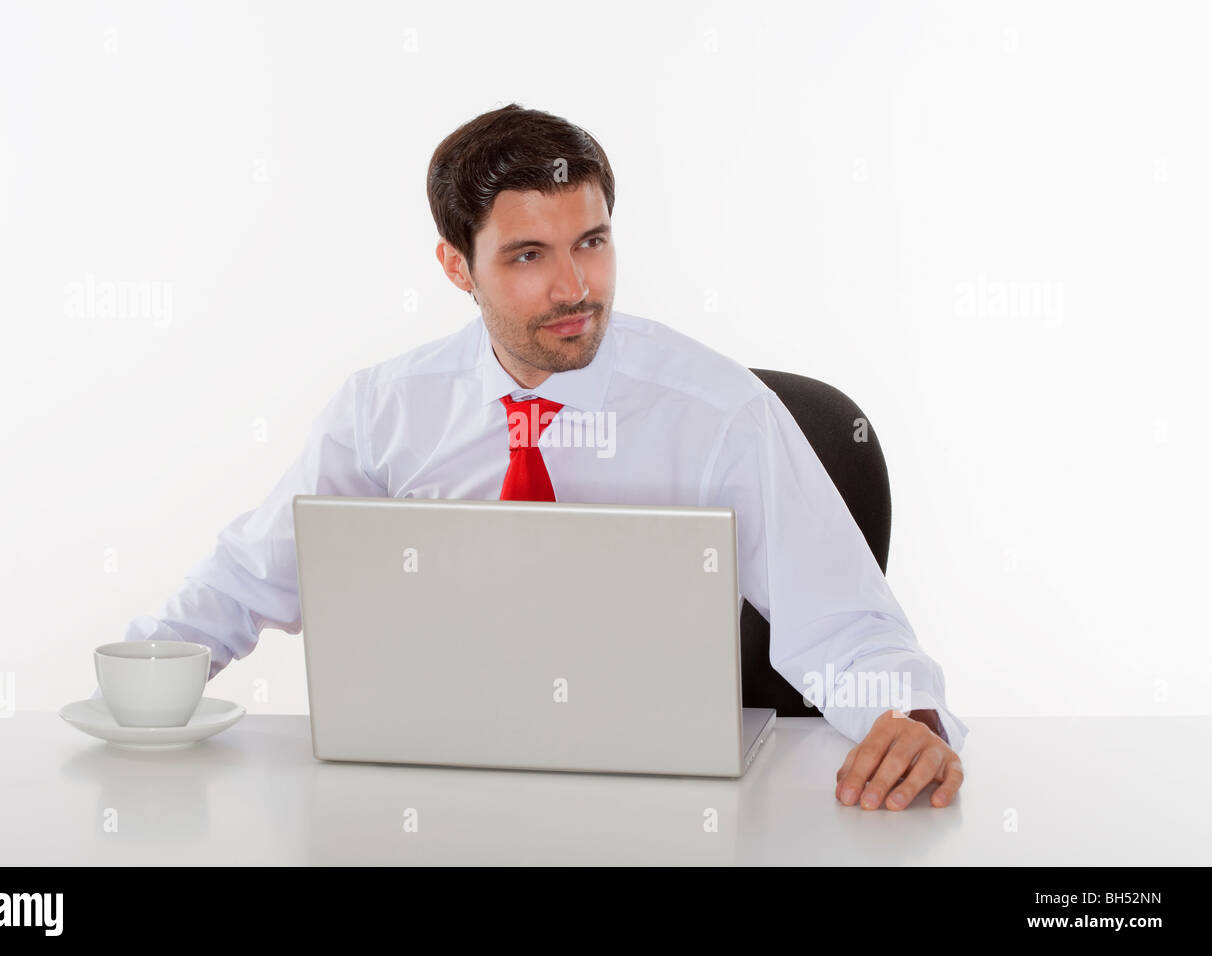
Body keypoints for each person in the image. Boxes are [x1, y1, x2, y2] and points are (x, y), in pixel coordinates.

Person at [121, 103, 966, 811]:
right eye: (529, 256)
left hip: (675, 805)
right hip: (443, 791)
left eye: (591, 242)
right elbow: (251, 575)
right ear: (458, 267)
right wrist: (140, 684)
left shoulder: (721, 414)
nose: (576, 288)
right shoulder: (385, 411)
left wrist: (909, 722)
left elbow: (848, 629)